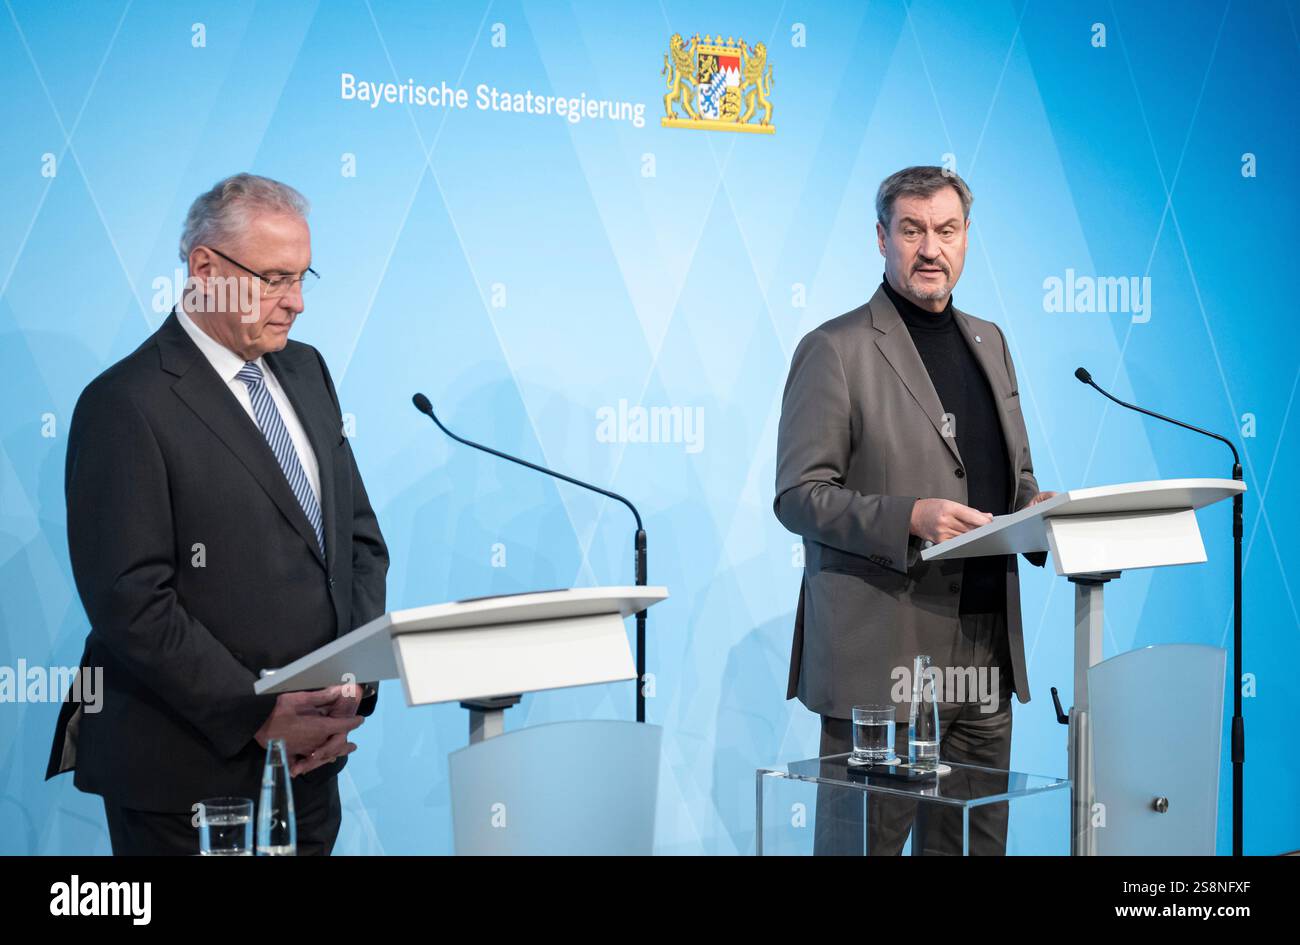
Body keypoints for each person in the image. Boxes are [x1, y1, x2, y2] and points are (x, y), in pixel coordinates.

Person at [46, 173, 390, 855]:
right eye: (274, 278)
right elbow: (131, 601)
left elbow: (358, 541)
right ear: (205, 269)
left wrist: (351, 681)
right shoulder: (126, 403)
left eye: (303, 277)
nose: (296, 302)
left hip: (309, 770)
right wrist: (260, 711)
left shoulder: (307, 370)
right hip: (185, 780)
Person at [774, 165, 1055, 855]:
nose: (931, 247)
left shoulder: (990, 340)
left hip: (986, 657)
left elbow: (1007, 476)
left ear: (966, 238)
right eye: (912, 229)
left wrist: (1038, 510)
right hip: (887, 665)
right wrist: (907, 516)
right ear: (881, 238)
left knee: (975, 847)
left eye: (946, 229)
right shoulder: (835, 349)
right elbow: (798, 494)